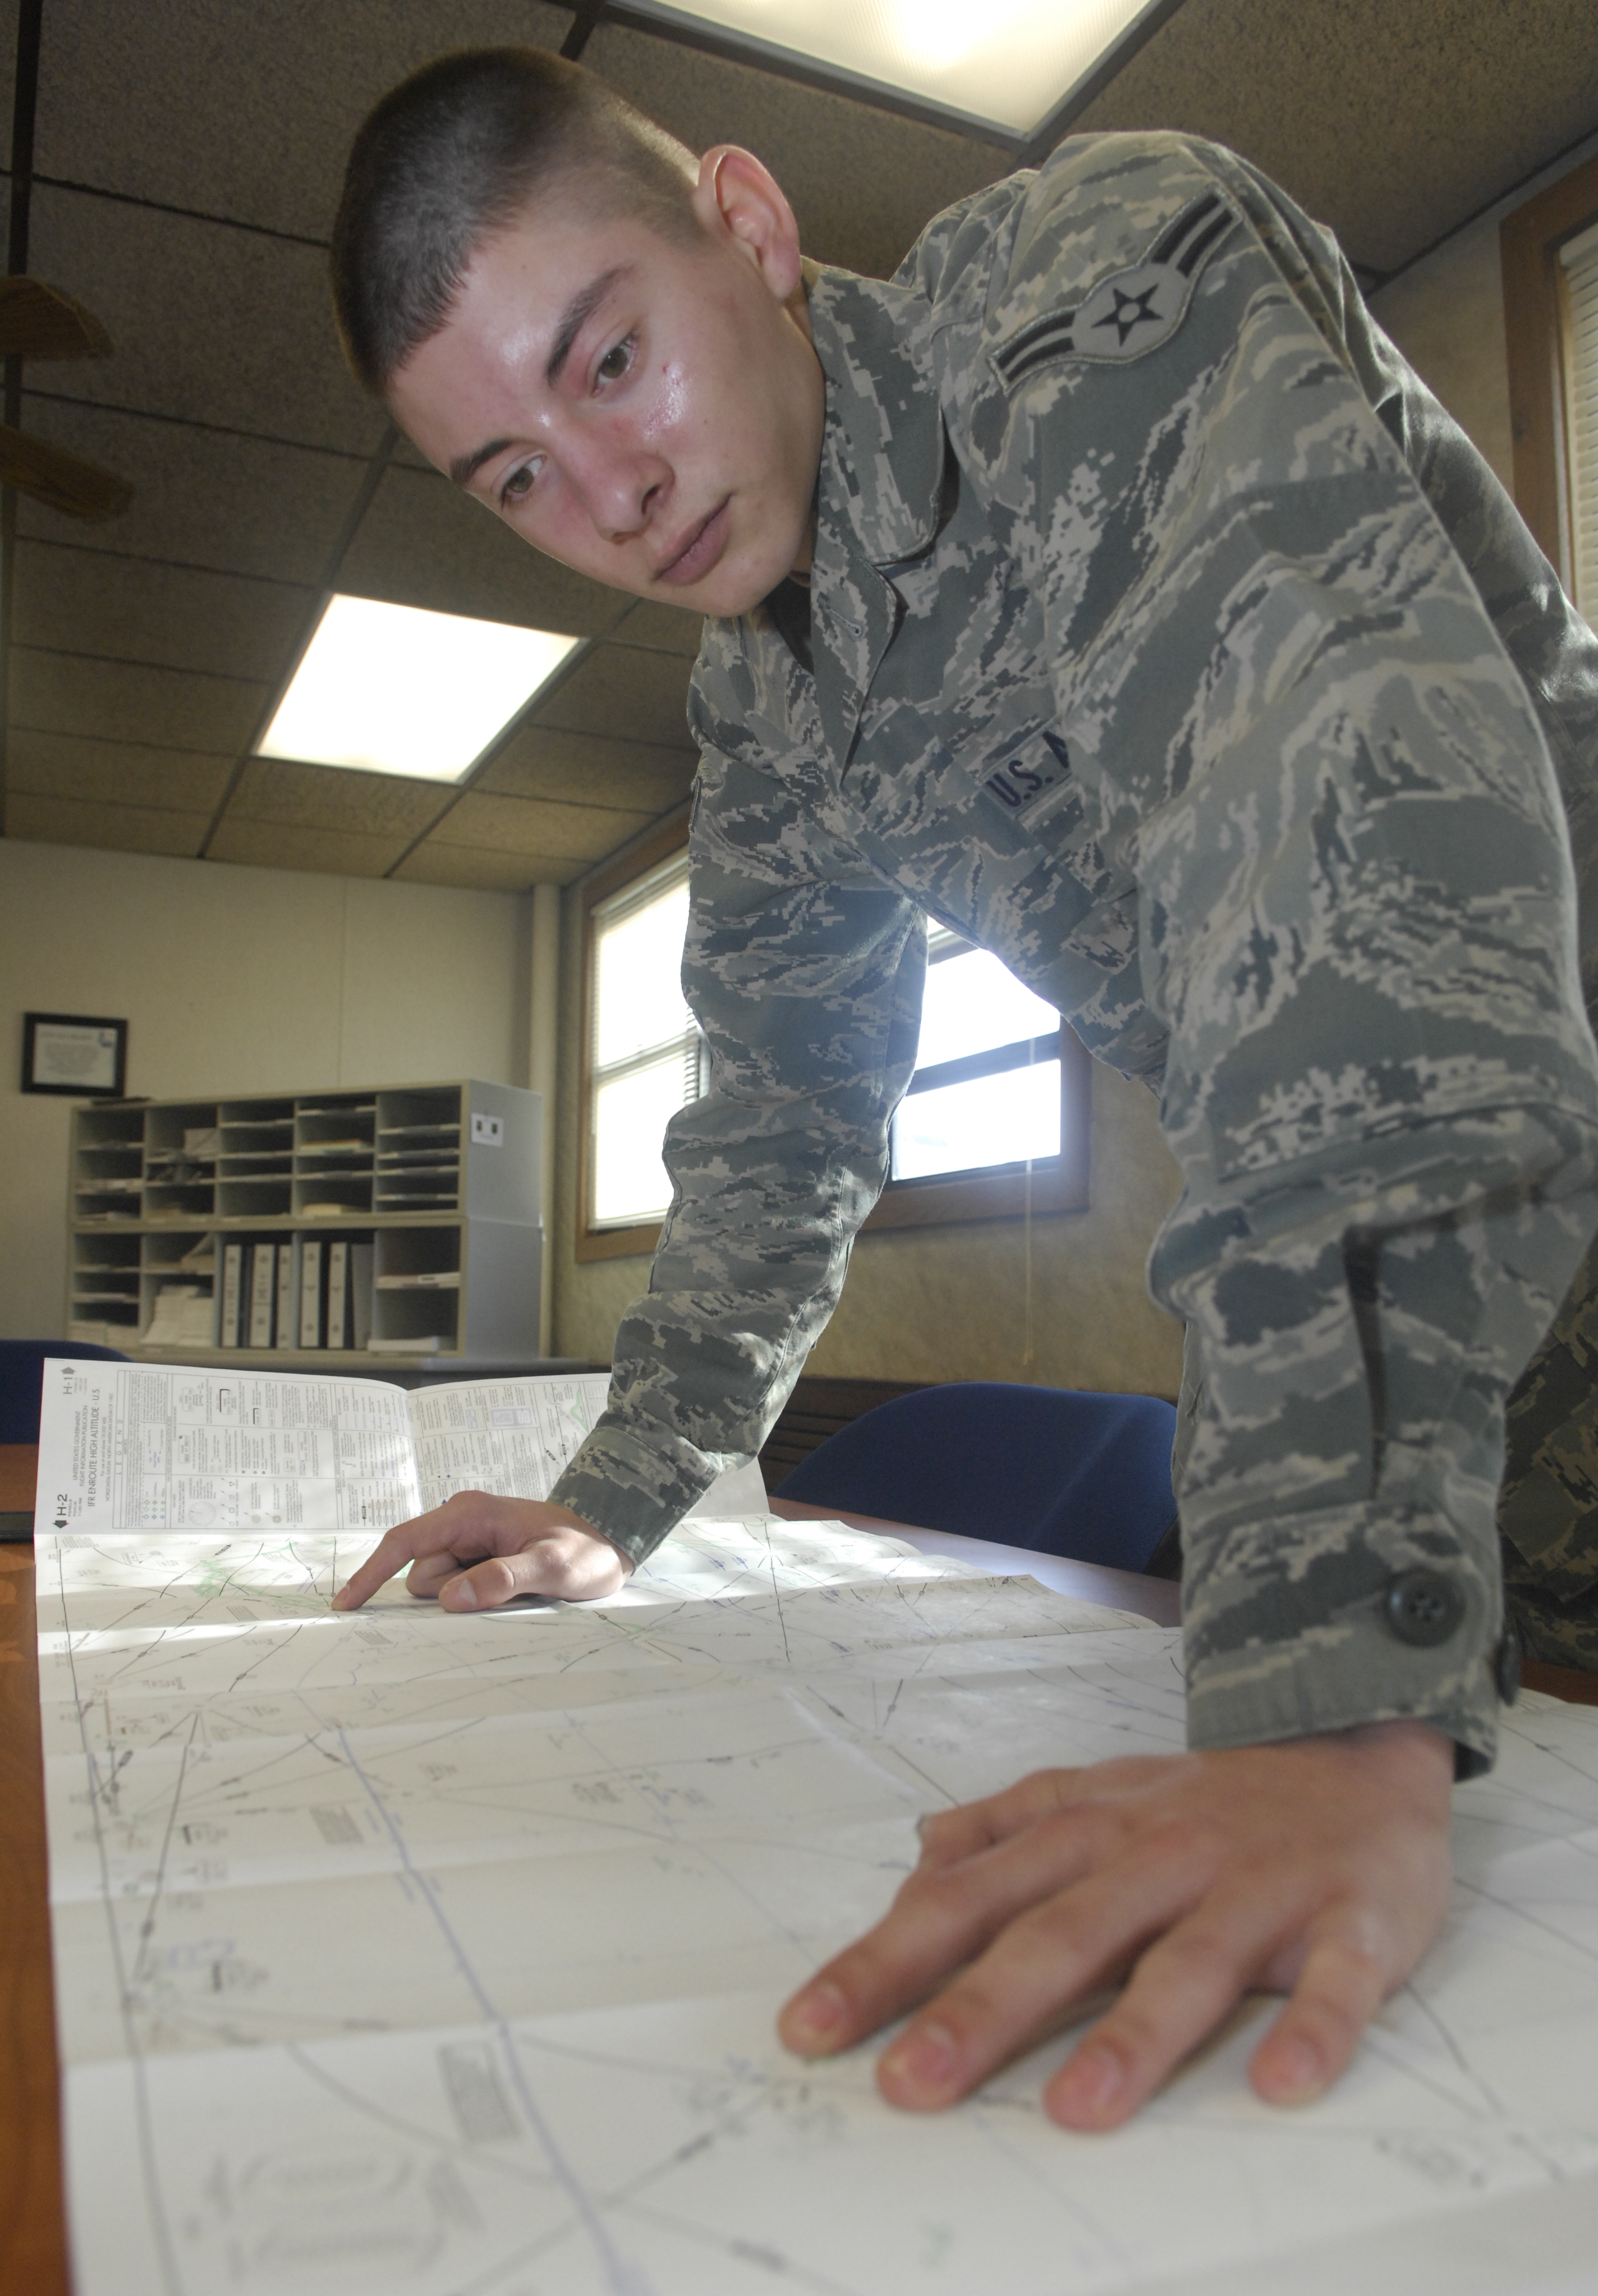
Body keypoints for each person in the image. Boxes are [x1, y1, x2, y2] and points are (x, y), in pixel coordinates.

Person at [327, 48, 1598, 2133]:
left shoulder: (1086, 285)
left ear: (748, 225)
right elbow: (781, 1125)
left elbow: (1347, 848)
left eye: (612, 360)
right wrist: (614, 1498)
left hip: (1496, 1102)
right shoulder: (763, 716)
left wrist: (1329, 1704)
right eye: (517, 476)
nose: (610, 492)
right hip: (1451, 1314)